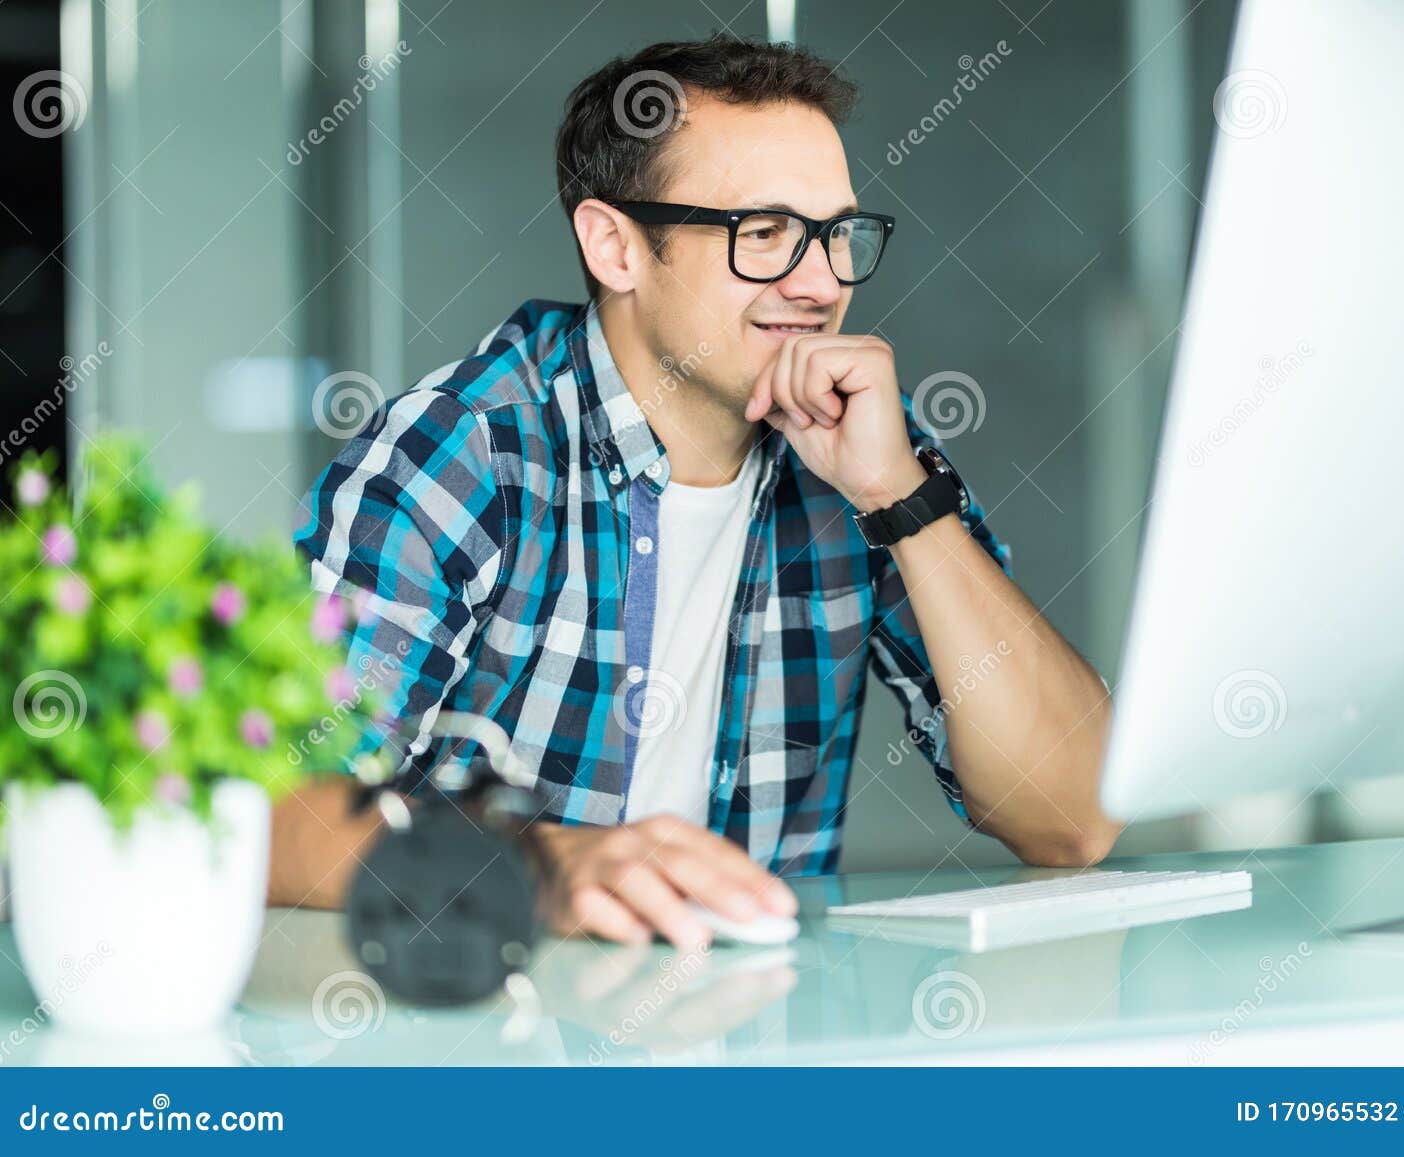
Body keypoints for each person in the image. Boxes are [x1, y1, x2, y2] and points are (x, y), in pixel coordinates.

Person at [275, 34, 1117, 950]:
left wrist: (901, 497)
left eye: (838, 235)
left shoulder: (869, 453)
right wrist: (541, 869)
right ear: (617, 247)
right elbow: (274, 812)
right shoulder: (467, 451)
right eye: (763, 234)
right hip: (484, 1045)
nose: (822, 281)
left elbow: (1071, 818)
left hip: (751, 1039)